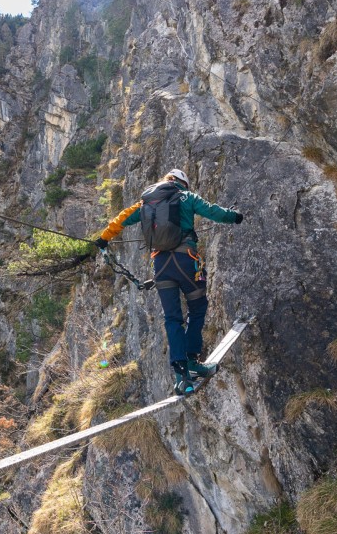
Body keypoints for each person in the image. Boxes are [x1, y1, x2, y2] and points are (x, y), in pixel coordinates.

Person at [94, 168, 243, 395]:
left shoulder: (146, 202)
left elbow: (121, 219)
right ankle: (193, 360)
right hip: (186, 262)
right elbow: (213, 212)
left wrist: (104, 239)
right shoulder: (186, 196)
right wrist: (235, 216)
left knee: (172, 318)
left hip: (161, 266)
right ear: (183, 183)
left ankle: (181, 376)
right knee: (197, 307)